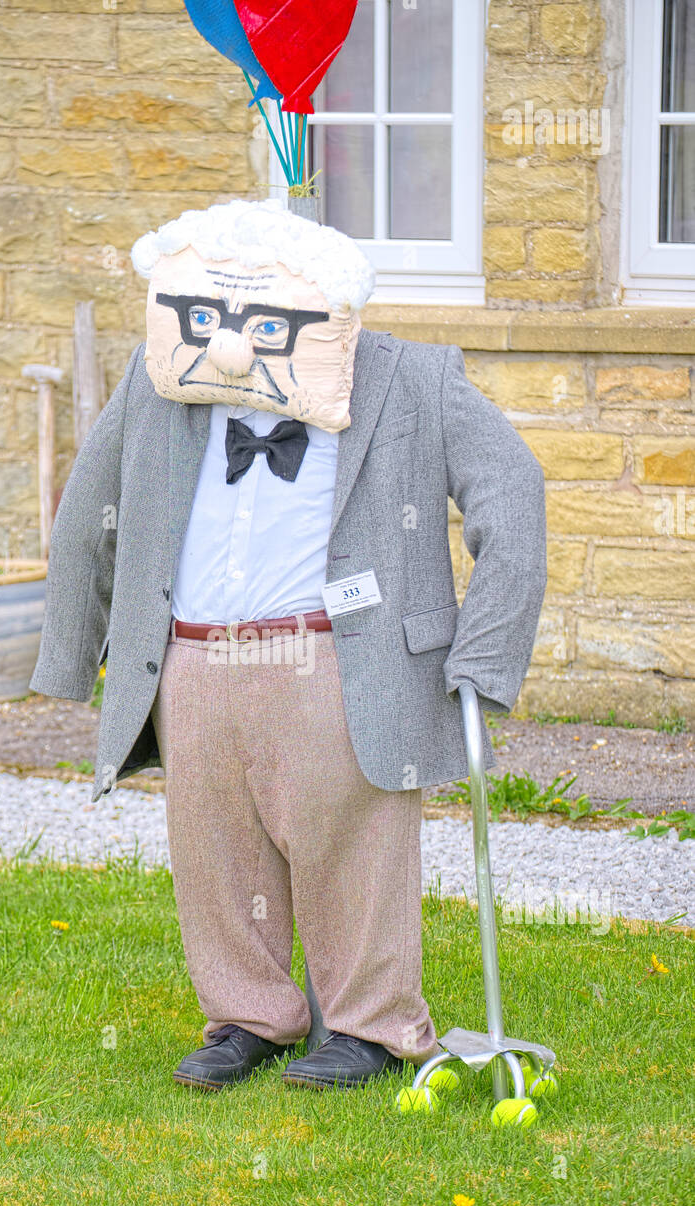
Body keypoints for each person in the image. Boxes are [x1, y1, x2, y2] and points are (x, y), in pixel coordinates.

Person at [29, 199, 547, 1091]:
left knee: (352, 842)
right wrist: (72, 656)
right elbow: (91, 507)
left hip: (334, 656)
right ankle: (250, 1014)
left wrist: (483, 655)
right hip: (191, 658)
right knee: (215, 848)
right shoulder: (164, 376)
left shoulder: (412, 377)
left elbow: (513, 493)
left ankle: (370, 1026)